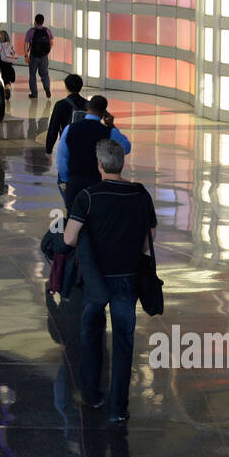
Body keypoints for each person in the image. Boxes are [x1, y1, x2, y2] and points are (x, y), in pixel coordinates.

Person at [62, 140, 157, 423]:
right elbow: (150, 235)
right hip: (127, 279)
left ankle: (92, 395)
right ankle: (119, 407)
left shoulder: (88, 196)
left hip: (95, 281)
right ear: (122, 164)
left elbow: (69, 238)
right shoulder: (140, 193)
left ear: (100, 165)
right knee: (124, 342)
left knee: (91, 335)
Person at [56, 95, 132, 208]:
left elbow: (61, 159)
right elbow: (126, 147)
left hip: (75, 183)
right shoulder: (108, 133)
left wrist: (66, 181)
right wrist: (112, 126)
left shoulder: (70, 129)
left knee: (74, 219)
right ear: (104, 113)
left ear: (88, 108)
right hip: (97, 184)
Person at [45, 73, 88, 154]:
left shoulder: (61, 104)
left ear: (66, 87)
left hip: (67, 145)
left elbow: (53, 128)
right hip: (85, 145)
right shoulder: (89, 104)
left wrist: (48, 149)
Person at [24, 13, 54, 98]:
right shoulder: (47, 31)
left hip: (34, 56)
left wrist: (26, 55)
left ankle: (34, 93)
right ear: (43, 21)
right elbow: (51, 43)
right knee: (44, 73)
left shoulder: (31, 31)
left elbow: (26, 44)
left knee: (32, 74)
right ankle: (47, 87)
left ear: (35, 21)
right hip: (44, 56)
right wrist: (47, 52)